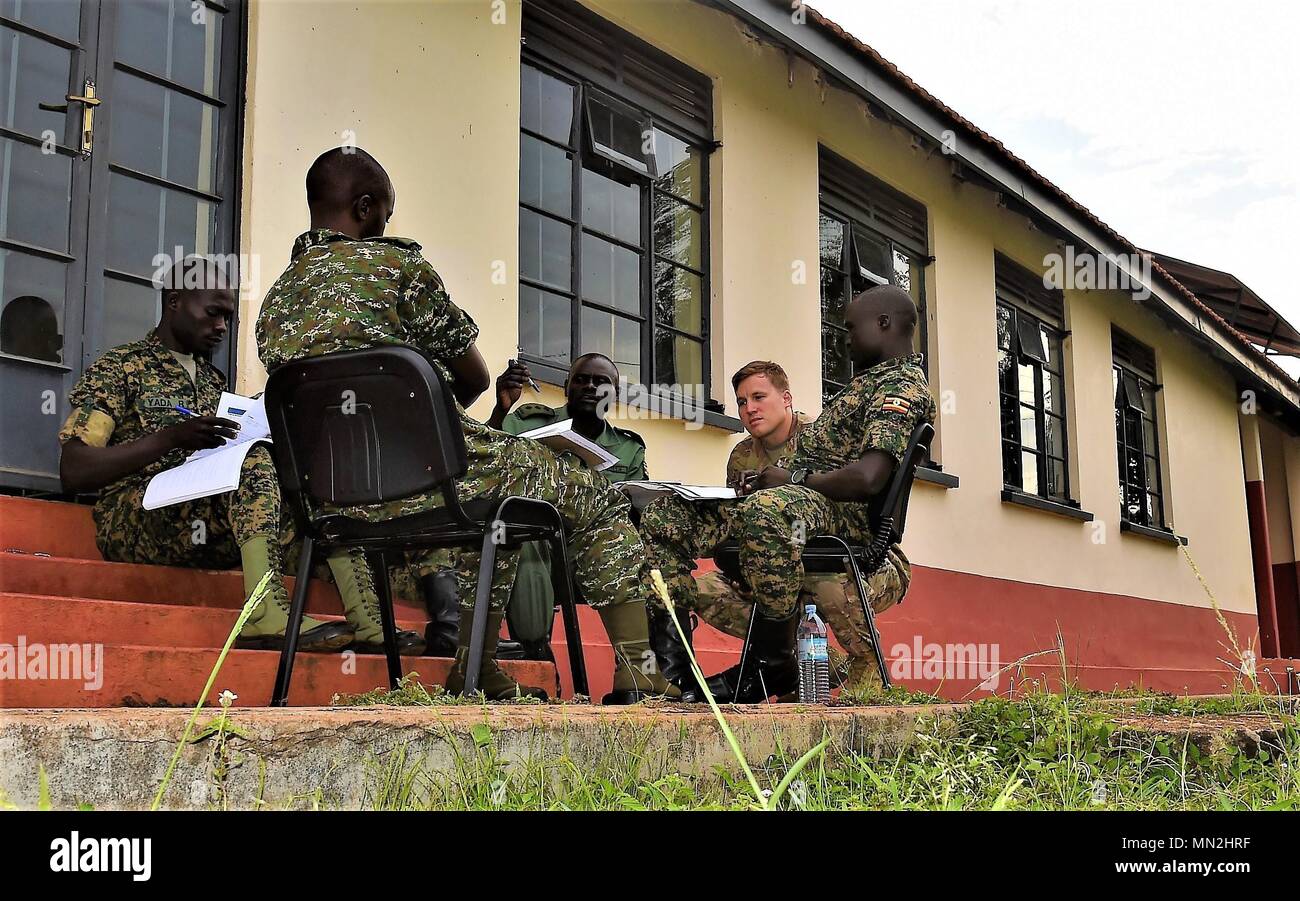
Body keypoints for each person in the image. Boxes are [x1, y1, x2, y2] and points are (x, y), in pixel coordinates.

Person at [254, 146, 679, 703]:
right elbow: (474, 376)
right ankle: (637, 676)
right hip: (432, 481)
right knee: (593, 491)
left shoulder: (275, 300)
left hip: (334, 503)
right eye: (384, 212)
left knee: (502, 510)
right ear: (363, 208)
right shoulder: (399, 269)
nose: (386, 224)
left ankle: (475, 667)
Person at [56, 255, 417, 655]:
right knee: (254, 463)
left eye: (228, 318)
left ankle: (370, 622)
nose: (221, 328)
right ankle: (263, 614)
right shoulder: (121, 368)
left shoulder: (213, 382)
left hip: (205, 519)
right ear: (175, 301)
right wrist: (171, 438)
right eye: (213, 313)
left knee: (318, 488)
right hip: (137, 519)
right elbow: (74, 469)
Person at [640, 285, 934, 702]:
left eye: (852, 328)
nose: (846, 338)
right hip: (803, 504)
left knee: (766, 512)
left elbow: (870, 477)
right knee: (662, 517)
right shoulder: (865, 384)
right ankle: (670, 670)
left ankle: (774, 665)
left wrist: (792, 481)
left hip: (842, 511)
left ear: (884, 324)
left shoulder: (900, 387)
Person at [669, 360, 910, 698]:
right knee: (703, 589)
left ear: (786, 398)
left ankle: (862, 667)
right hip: (776, 571)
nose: (749, 409)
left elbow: (849, 524)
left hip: (852, 562)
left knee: (821, 582)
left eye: (758, 397)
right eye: (741, 402)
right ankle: (797, 664)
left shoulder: (822, 440)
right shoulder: (741, 457)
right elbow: (741, 529)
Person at [487, 352, 649, 661]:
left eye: (601, 382)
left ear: (614, 395)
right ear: (566, 386)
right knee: (527, 539)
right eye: (581, 379)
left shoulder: (630, 447)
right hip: (536, 542)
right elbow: (490, 462)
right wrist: (501, 409)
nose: (590, 386)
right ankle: (536, 654)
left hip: (591, 551)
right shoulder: (530, 421)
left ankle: (640, 669)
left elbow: (635, 507)